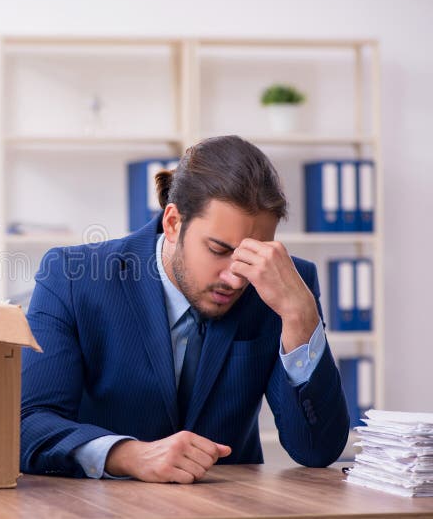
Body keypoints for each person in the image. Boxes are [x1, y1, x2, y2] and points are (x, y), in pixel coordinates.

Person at [20, 135, 350, 483]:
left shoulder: (279, 286)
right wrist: (129, 455)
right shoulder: (73, 278)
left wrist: (300, 317)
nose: (236, 279)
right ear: (173, 223)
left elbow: (317, 451)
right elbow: (28, 426)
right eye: (219, 249)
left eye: (251, 254)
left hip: (229, 507)